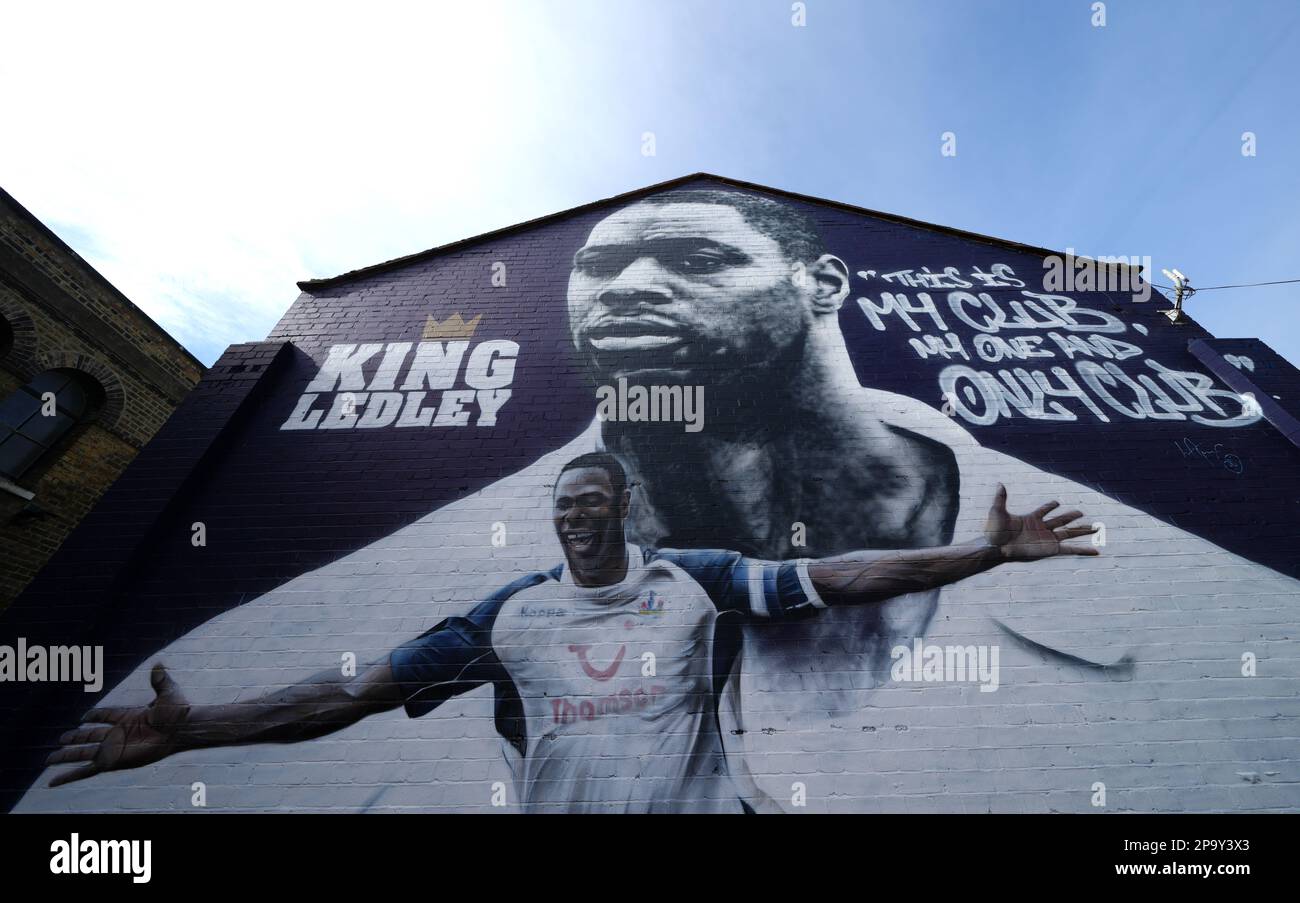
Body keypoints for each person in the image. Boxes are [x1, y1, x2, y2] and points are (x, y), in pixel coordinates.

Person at [47, 453, 1097, 813]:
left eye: (592, 502)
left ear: (623, 509)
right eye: (563, 506)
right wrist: (197, 731)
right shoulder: (507, 617)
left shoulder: (700, 578)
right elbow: (347, 694)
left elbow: (843, 576)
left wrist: (985, 554)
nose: (577, 516)